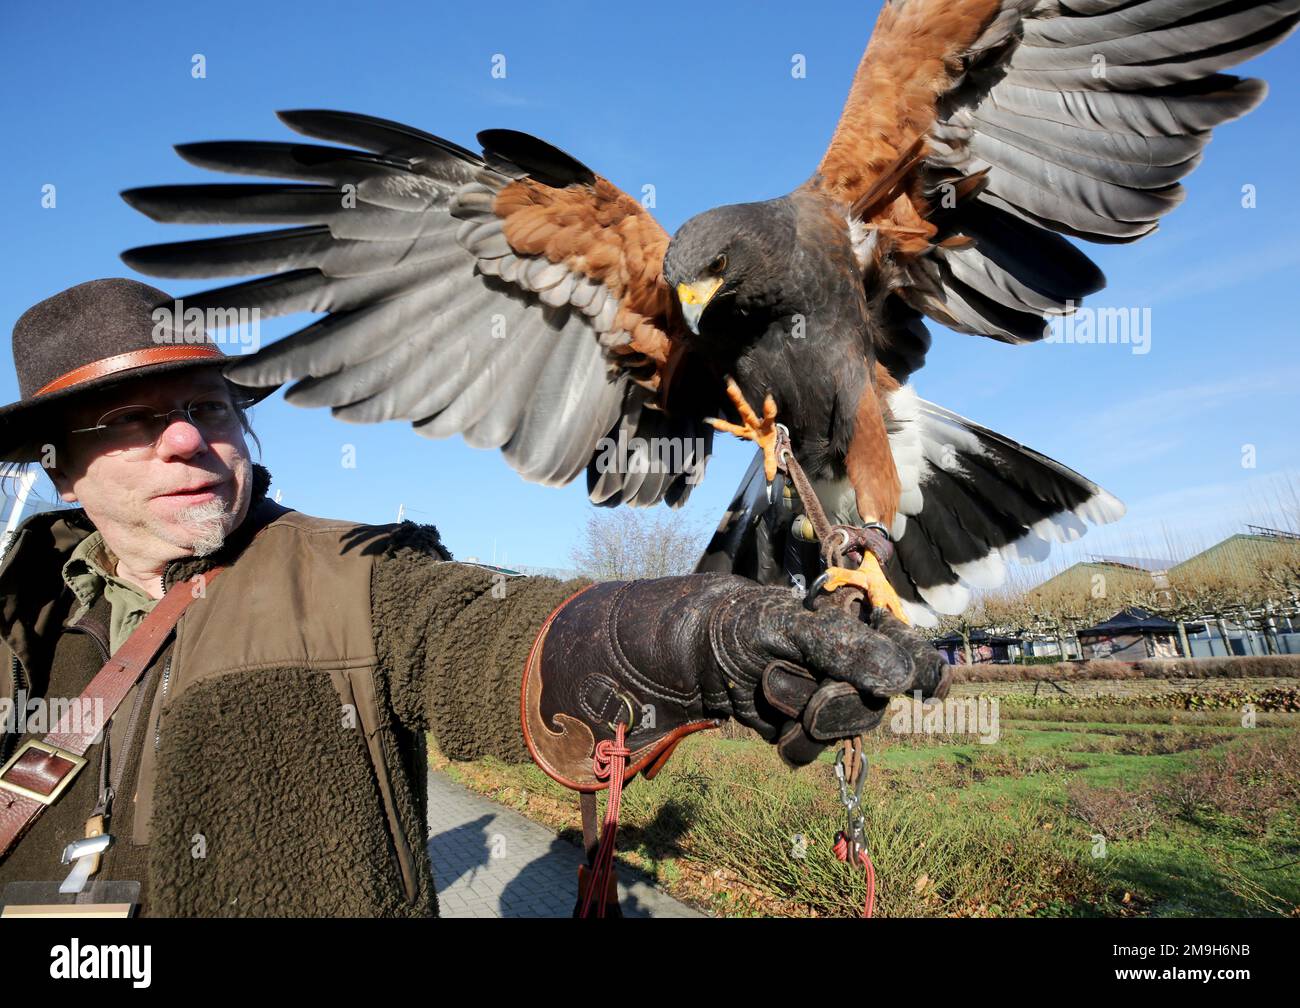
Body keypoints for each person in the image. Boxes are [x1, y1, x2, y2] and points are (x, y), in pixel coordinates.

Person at [0, 278, 947, 917]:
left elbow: (478, 629)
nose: (185, 441)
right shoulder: (16, 621)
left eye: (207, 407)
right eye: (131, 420)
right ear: (62, 467)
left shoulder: (357, 571)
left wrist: (701, 633)